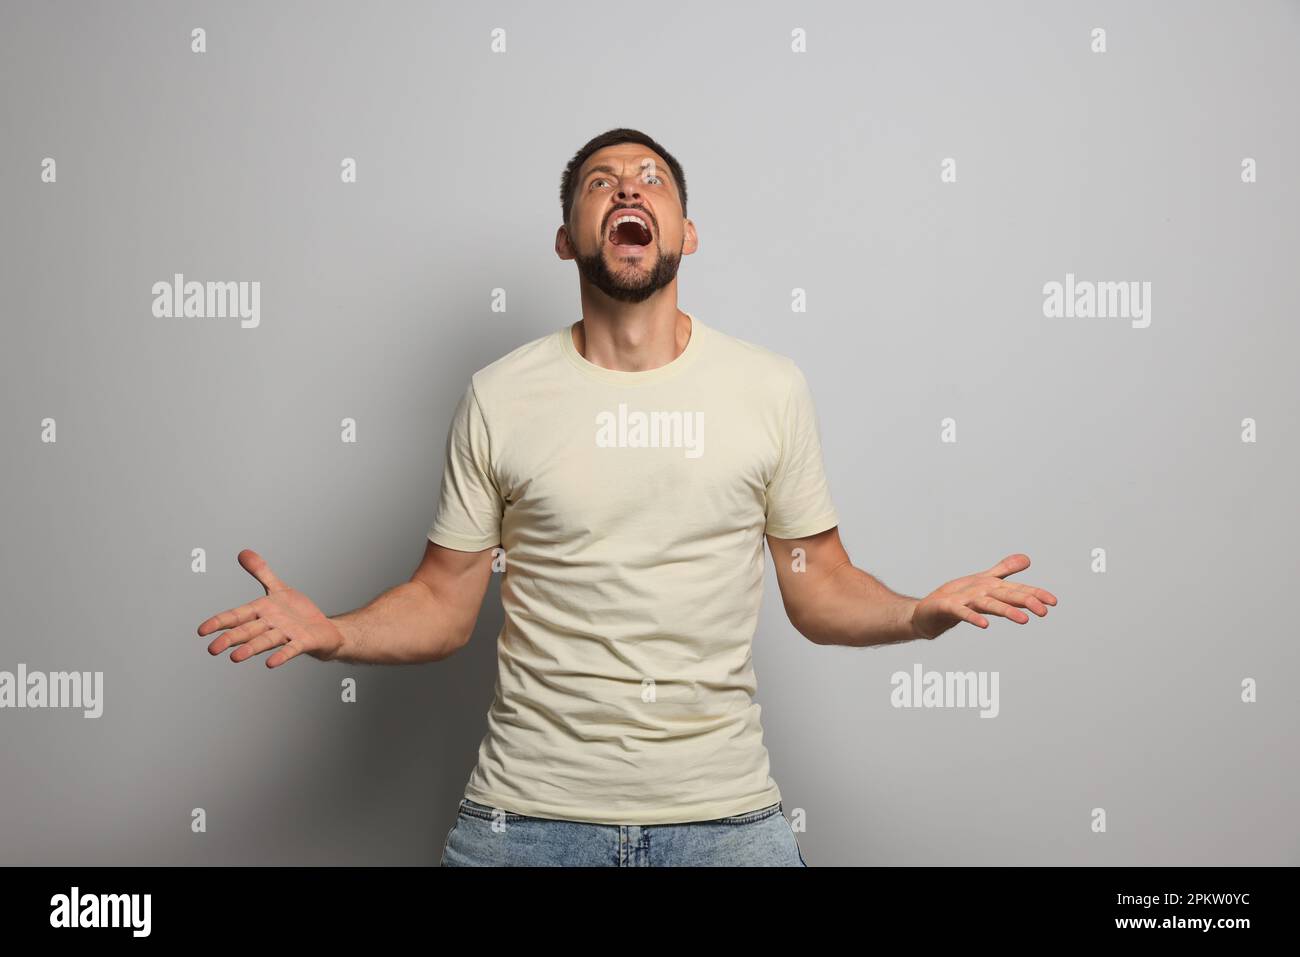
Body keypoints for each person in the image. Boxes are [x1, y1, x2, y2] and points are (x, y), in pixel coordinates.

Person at [195, 128, 1058, 867]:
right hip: (525, 822)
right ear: (567, 240)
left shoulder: (769, 389)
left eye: (651, 181)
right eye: (600, 184)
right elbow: (441, 602)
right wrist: (335, 632)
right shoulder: (501, 395)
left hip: (723, 821)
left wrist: (917, 613)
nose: (626, 191)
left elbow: (818, 582)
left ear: (687, 230)